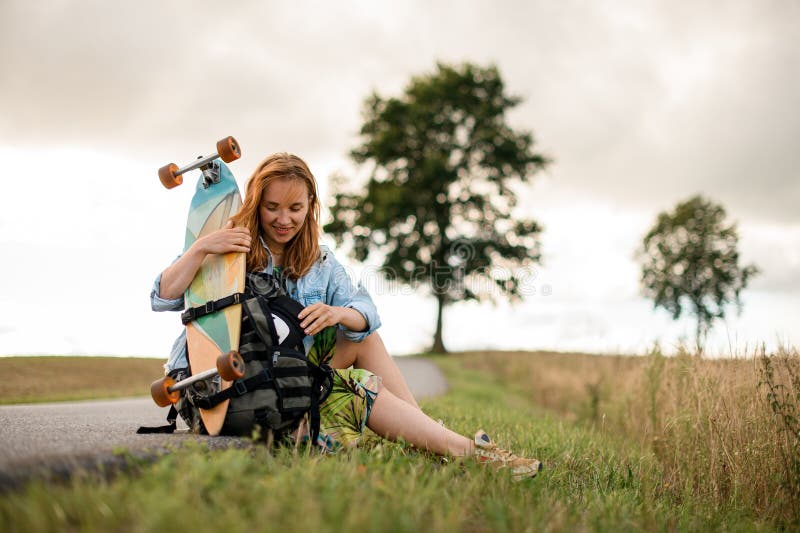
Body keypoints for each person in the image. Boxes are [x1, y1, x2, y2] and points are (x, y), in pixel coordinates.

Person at [151, 152, 542, 480]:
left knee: (361, 336)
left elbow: (366, 314)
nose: (284, 219)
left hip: (284, 374)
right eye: (272, 208)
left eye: (295, 208)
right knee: (360, 386)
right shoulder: (229, 245)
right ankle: (467, 453)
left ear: (311, 207)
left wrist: (336, 313)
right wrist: (201, 249)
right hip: (228, 382)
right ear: (256, 205)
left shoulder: (320, 262)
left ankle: (433, 437)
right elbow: (164, 295)